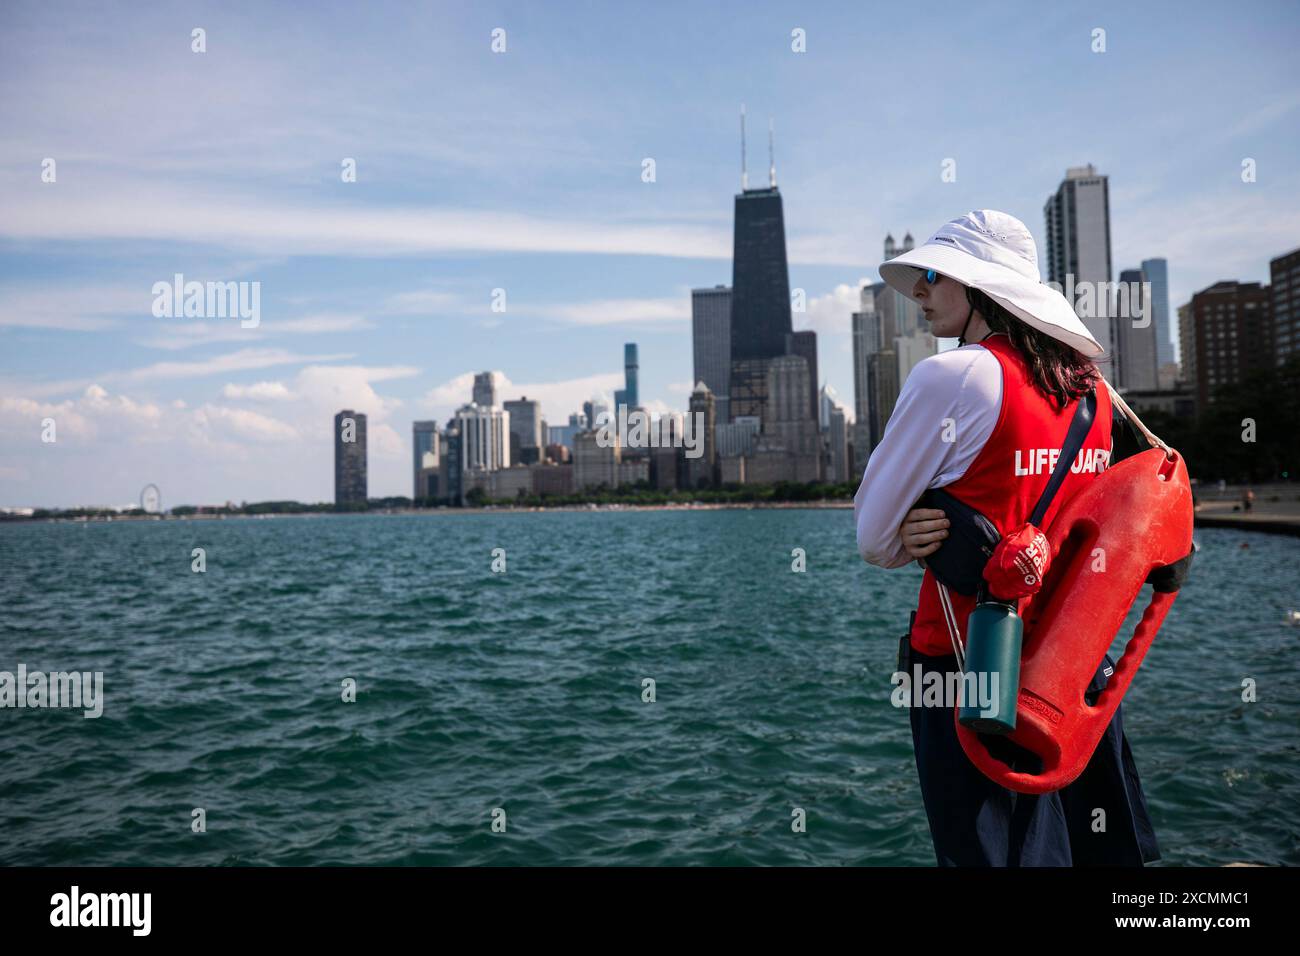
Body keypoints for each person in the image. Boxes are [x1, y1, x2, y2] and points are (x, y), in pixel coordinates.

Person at [854, 210, 1161, 867]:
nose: (921, 290)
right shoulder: (1094, 395)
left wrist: (912, 531)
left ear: (982, 289)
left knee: (985, 856)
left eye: (935, 275)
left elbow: (874, 539)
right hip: (1068, 664)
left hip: (967, 666)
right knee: (1073, 847)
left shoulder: (953, 376)